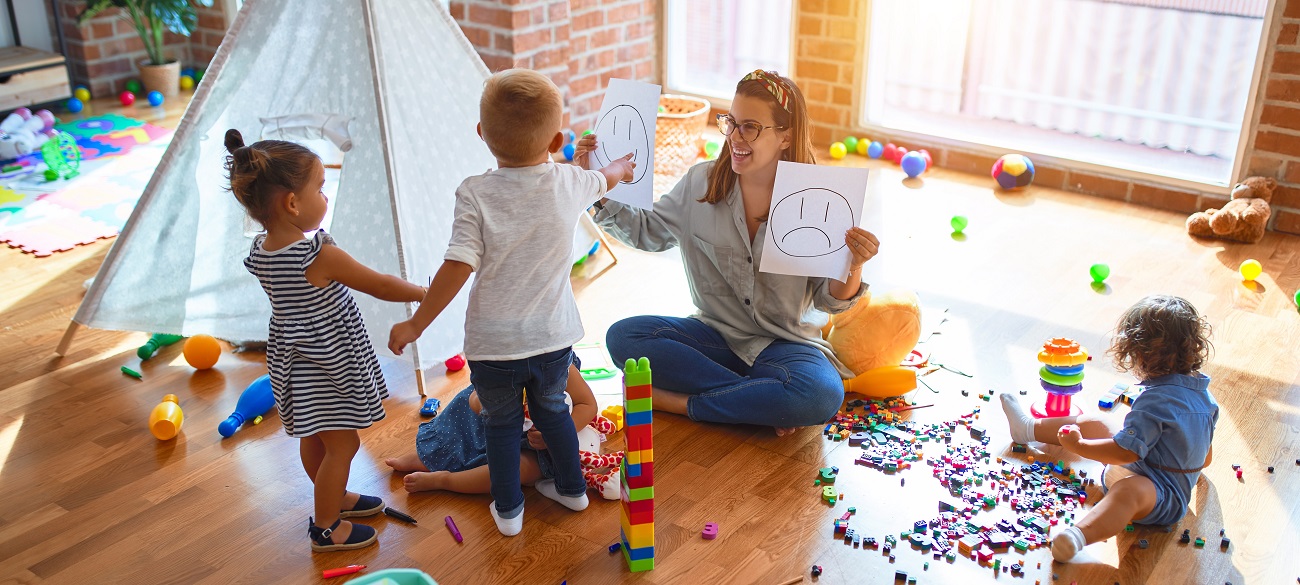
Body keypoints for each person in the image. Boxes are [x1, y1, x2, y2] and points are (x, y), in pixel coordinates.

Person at [387, 69, 635, 536]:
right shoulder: (568, 183)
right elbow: (606, 177)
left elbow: (456, 267)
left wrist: (417, 324)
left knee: (501, 426)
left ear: (482, 134)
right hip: (552, 340)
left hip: (494, 346)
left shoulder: (474, 193)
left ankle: (508, 511)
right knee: (554, 413)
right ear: (557, 138)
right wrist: (620, 167)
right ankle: (573, 490)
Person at [575, 70, 879, 436]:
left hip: (785, 346)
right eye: (731, 122)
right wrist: (598, 186)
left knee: (820, 395)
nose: (735, 137)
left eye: (750, 127)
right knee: (624, 337)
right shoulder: (700, 183)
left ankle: (681, 403)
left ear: (786, 136)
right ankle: (757, 401)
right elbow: (646, 232)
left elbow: (829, 302)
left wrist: (854, 265)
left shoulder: (817, 199)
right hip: (713, 339)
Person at [226, 129, 426, 552]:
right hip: (328, 363)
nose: (326, 196)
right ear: (292, 203)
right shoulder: (317, 254)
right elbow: (382, 285)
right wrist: (424, 292)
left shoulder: (260, 252)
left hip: (293, 363)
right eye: (320, 187)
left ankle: (333, 498)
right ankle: (326, 525)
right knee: (344, 442)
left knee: (315, 437)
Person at [1000, 295, 1217, 562]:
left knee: (1128, 491)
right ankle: (1026, 429)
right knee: (1095, 422)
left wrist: (1078, 447)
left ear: (1138, 354)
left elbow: (1125, 454)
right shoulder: (1206, 399)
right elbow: (1205, 457)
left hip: (1160, 496)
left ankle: (1077, 537)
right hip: (1145, 468)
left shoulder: (1155, 400)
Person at [383, 365, 596, 494]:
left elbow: (588, 405)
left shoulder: (560, 366)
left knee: (514, 471)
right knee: (461, 403)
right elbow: (475, 401)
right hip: (493, 428)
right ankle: (432, 454)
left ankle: (445, 480)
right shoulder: (499, 366)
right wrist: (491, 405)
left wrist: (555, 436)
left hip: (538, 447)